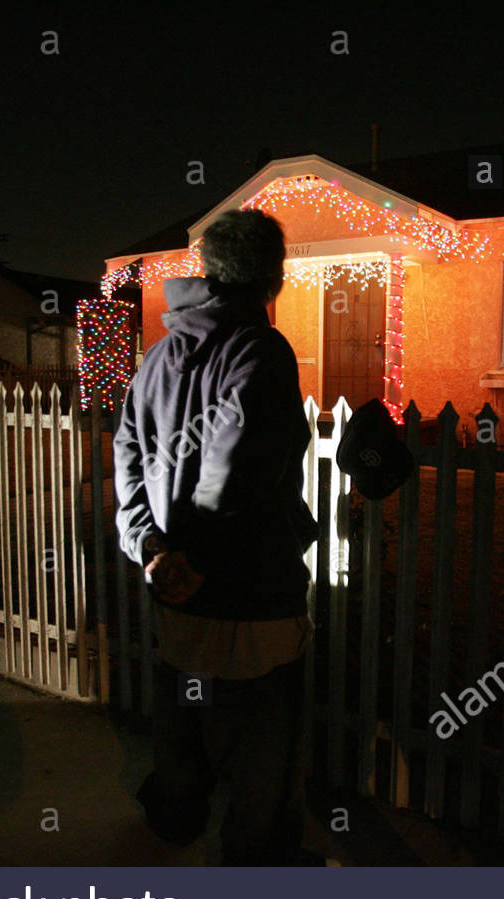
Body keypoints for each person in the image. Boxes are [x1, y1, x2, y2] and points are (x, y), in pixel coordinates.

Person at [114, 209, 319, 864]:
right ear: (272, 277)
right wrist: (198, 558)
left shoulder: (156, 358)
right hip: (250, 584)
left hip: (174, 583)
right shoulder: (260, 350)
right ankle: (256, 856)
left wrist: (152, 548)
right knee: (264, 735)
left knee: (183, 709)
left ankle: (176, 816)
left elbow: (126, 458)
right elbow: (238, 475)